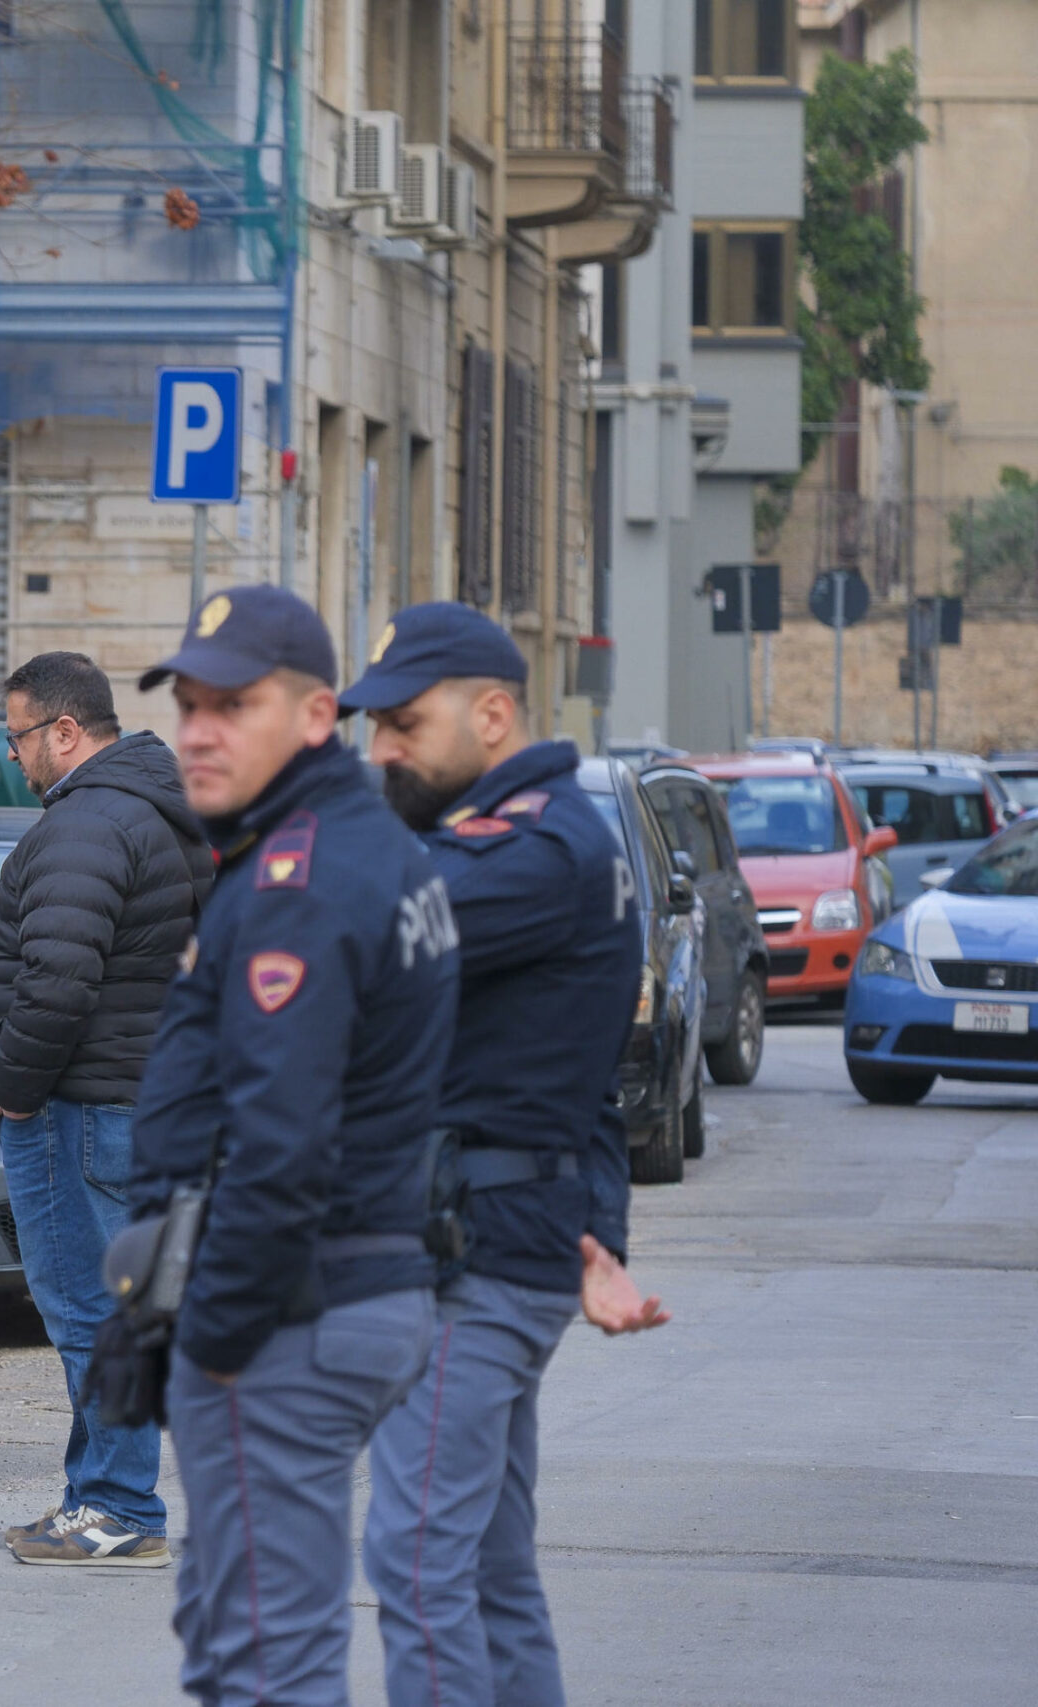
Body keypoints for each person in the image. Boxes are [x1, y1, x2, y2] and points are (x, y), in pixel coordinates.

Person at [129, 586, 458, 1704]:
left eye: (235, 704)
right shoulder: (347, 843)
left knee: (265, 1662)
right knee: (244, 1634)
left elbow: (280, 1140)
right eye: (189, 704)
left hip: (288, 1314)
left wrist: (212, 1332)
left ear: (317, 715)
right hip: (343, 1292)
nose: (200, 731)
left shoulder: (300, 878)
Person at [340, 603, 670, 1707]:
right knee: (481, 1565)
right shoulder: (534, 833)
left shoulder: (528, 850)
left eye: (402, 724)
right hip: (491, 1243)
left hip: (470, 1262)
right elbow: (578, 1079)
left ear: (491, 714)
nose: (381, 748)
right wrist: (594, 1240)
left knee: (417, 1560)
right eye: (372, 727)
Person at [0, 650, 212, 1566]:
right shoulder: (150, 806)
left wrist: (7, 1093)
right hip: (131, 1098)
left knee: (88, 1314)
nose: (15, 757)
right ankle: (96, 1495)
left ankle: (116, 1506)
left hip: (75, 1106)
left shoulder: (87, 825)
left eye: (21, 735)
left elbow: (58, 982)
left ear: (67, 730)